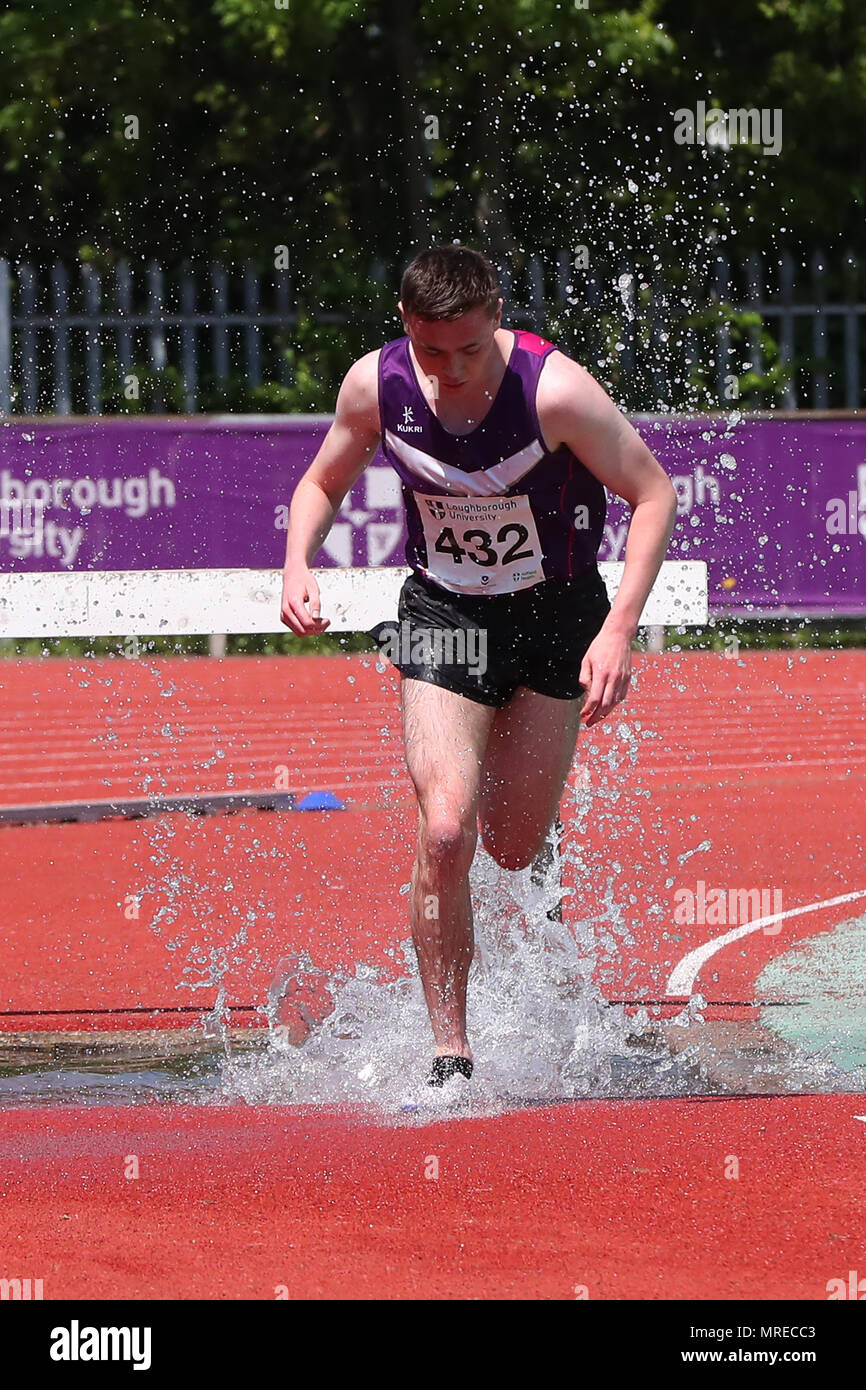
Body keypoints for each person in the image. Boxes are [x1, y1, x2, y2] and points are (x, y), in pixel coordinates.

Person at [281, 244, 676, 1101]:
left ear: (496, 315)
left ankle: (536, 829)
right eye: (433, 352)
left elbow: (654, 493)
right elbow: (322, 480)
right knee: (447, 834)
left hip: (557, 618)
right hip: (445, 619)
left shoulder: (556, 390)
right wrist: (296, 561)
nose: (453, 370)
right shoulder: (373, 387)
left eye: (470, 349)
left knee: (510, 843)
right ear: (405, 327)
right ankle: (451, 1056)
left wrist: (618, 630)